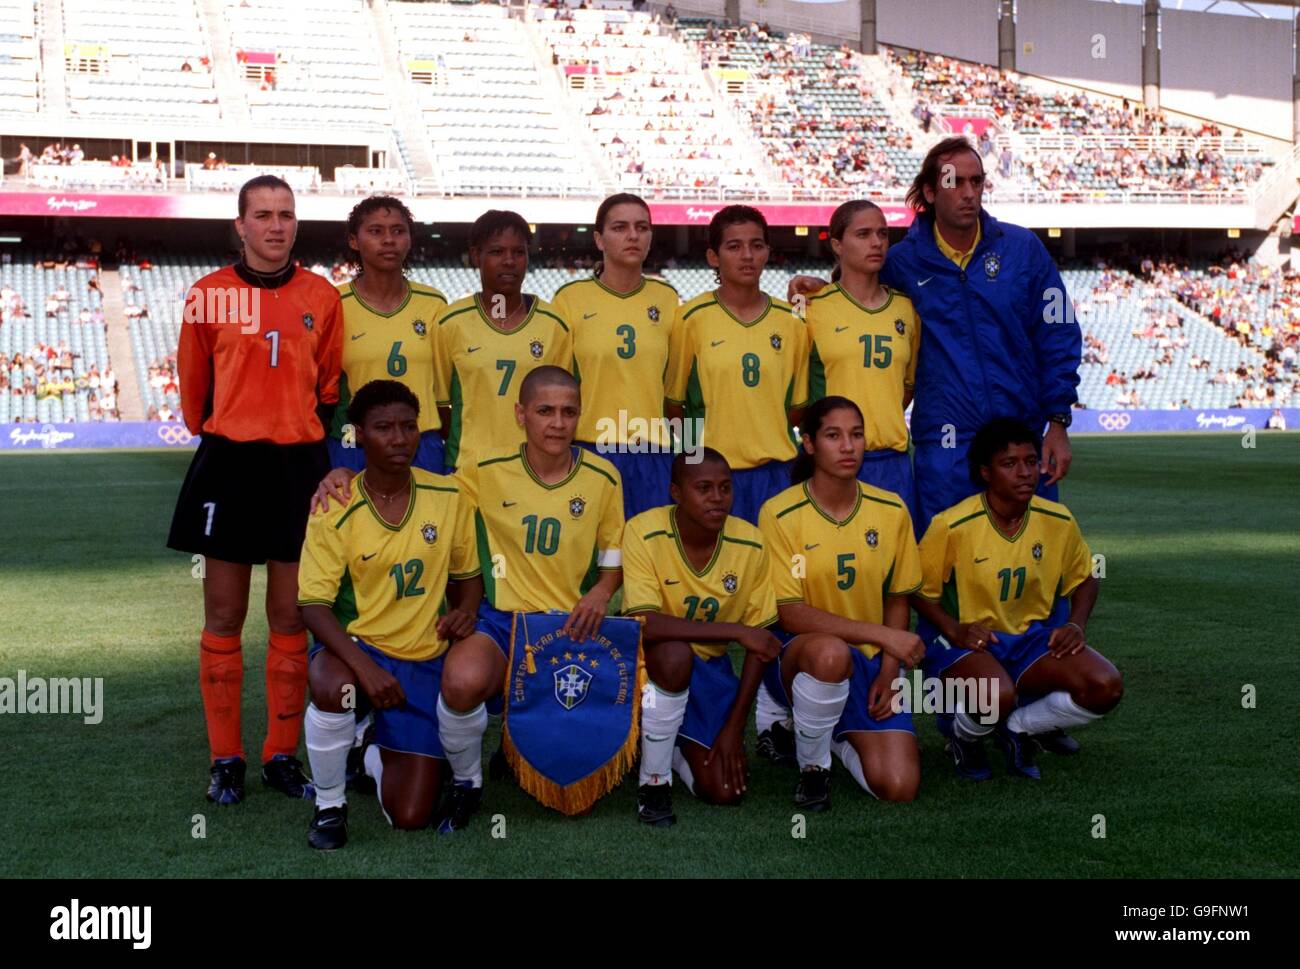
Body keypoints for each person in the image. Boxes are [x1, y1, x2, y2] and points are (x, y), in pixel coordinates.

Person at [167, 175, 343, 805]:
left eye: (286, 215)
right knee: (223, 614)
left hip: (299, 467)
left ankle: (279, 755)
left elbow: (328, 388)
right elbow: (194, 392)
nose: (276, 225)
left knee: (291, 615)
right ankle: (225, 758)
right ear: (240, 225)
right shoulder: (208, 295)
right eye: (263, 215)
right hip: (230, 466)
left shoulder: (322, 296)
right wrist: (234, 431)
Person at [435, 366, 623, 831]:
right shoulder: (484, 470)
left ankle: (524, 743)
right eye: (545, 411)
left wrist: (602, 590)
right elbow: (424, 496)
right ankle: (467, 782)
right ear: (521, 414)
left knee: (575, 784)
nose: (557, 423)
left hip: (571, 628)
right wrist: (342, 473)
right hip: (502, 621)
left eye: (568, 412)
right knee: (460, 682)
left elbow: (614, 556)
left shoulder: (604, 475)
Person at [298, 380, 482, 848]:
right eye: (383, 428)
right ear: (358, 434)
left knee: (411, 816)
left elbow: (468, 576)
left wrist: (466, 610)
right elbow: (313, 608)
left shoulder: (449, 496)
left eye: (408, 426)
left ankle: (372, 750)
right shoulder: (333, 506)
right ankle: (329, 806)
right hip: (358, 651)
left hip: (424, 657)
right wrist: (365, 670)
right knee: (331, 684)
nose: (399, 439)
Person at [911, 418, 1122, 780]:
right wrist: (955, 628)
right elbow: (913, 589)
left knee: (1105, 686)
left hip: (1029, 641)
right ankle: (963, 737)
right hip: (965, 644)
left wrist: (1075, 623)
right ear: (985, 473)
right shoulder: (953, 525)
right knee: (995, 696)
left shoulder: (1057, 519)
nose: (1025, 472)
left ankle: (1020, 728)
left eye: (1030, 461)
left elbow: (1084, 578)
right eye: (1010, 464)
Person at [756, 396, 926, 810]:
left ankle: (823, 730)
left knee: (898, 786)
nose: (848, 446)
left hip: (870, 662)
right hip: (804, 656)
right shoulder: (781, 513)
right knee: (831, 654)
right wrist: (888, 638)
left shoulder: (891, 510)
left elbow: (897, 596)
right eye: (833, 436)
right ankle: (813, 766)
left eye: (856, 435)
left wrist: (890, 670)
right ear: (809, 443)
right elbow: (790, 613)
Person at [621, 448, 781, 827]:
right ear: (676, 492)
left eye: (725, 488)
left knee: (725, 792)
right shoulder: (643, 530)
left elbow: (761, 647)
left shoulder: (751, 543)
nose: (717, 498)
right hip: (649, 668)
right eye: (704, 488)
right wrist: (736, 630)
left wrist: (733, 729)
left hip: (710, 671)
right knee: (675, 654)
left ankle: (665, 743)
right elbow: (645, 622)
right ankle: (654, 783)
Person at [667, 205, 808, 524]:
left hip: (778, 473)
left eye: (757, 245)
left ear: (767, 252)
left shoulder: (792, 322)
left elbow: (796, 410)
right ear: (713, 257)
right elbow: (675, 406)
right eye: (734, 246)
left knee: (780, 570)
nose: (747, 255)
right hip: (715, 478)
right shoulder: (690, 319)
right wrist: (698, 457)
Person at [551, 193, 681, 519]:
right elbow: (556, 389)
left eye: (642, 227)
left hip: (653, 452)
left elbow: (679, 393)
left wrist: (688, 456)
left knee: (648, 562)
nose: (633, 235)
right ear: (599, 238)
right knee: (593, 563)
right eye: (620, 227)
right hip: (591, 448)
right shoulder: (570, 299)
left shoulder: (668, 300)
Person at [802, 199, 921, 522]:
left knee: (896, 568)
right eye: (863, 234)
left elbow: (906, 389)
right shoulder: (812, 308)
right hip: (832, 467)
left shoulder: (906, 310)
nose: (876, 243)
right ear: (838, 244)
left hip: (893, 463)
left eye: (882, 234)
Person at [432, 210, 573, 471]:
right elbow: (442, 407)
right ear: (476, 256)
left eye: (518, 252)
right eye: (497, 252)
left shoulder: (554, 324)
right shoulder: (450, 323)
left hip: (533, 470)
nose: (509, 261)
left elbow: (563, 406)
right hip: (469, 469)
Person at [327, 195, 448, 474]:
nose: (388, 239)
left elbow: (443, 389)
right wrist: (346, 444)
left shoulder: (434, 304)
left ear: (409, 239)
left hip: (422, 442)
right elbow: (326, 391)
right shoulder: (333, 303)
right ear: (354, 241)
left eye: (398, 230)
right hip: (354, 442)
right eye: (375, 231)